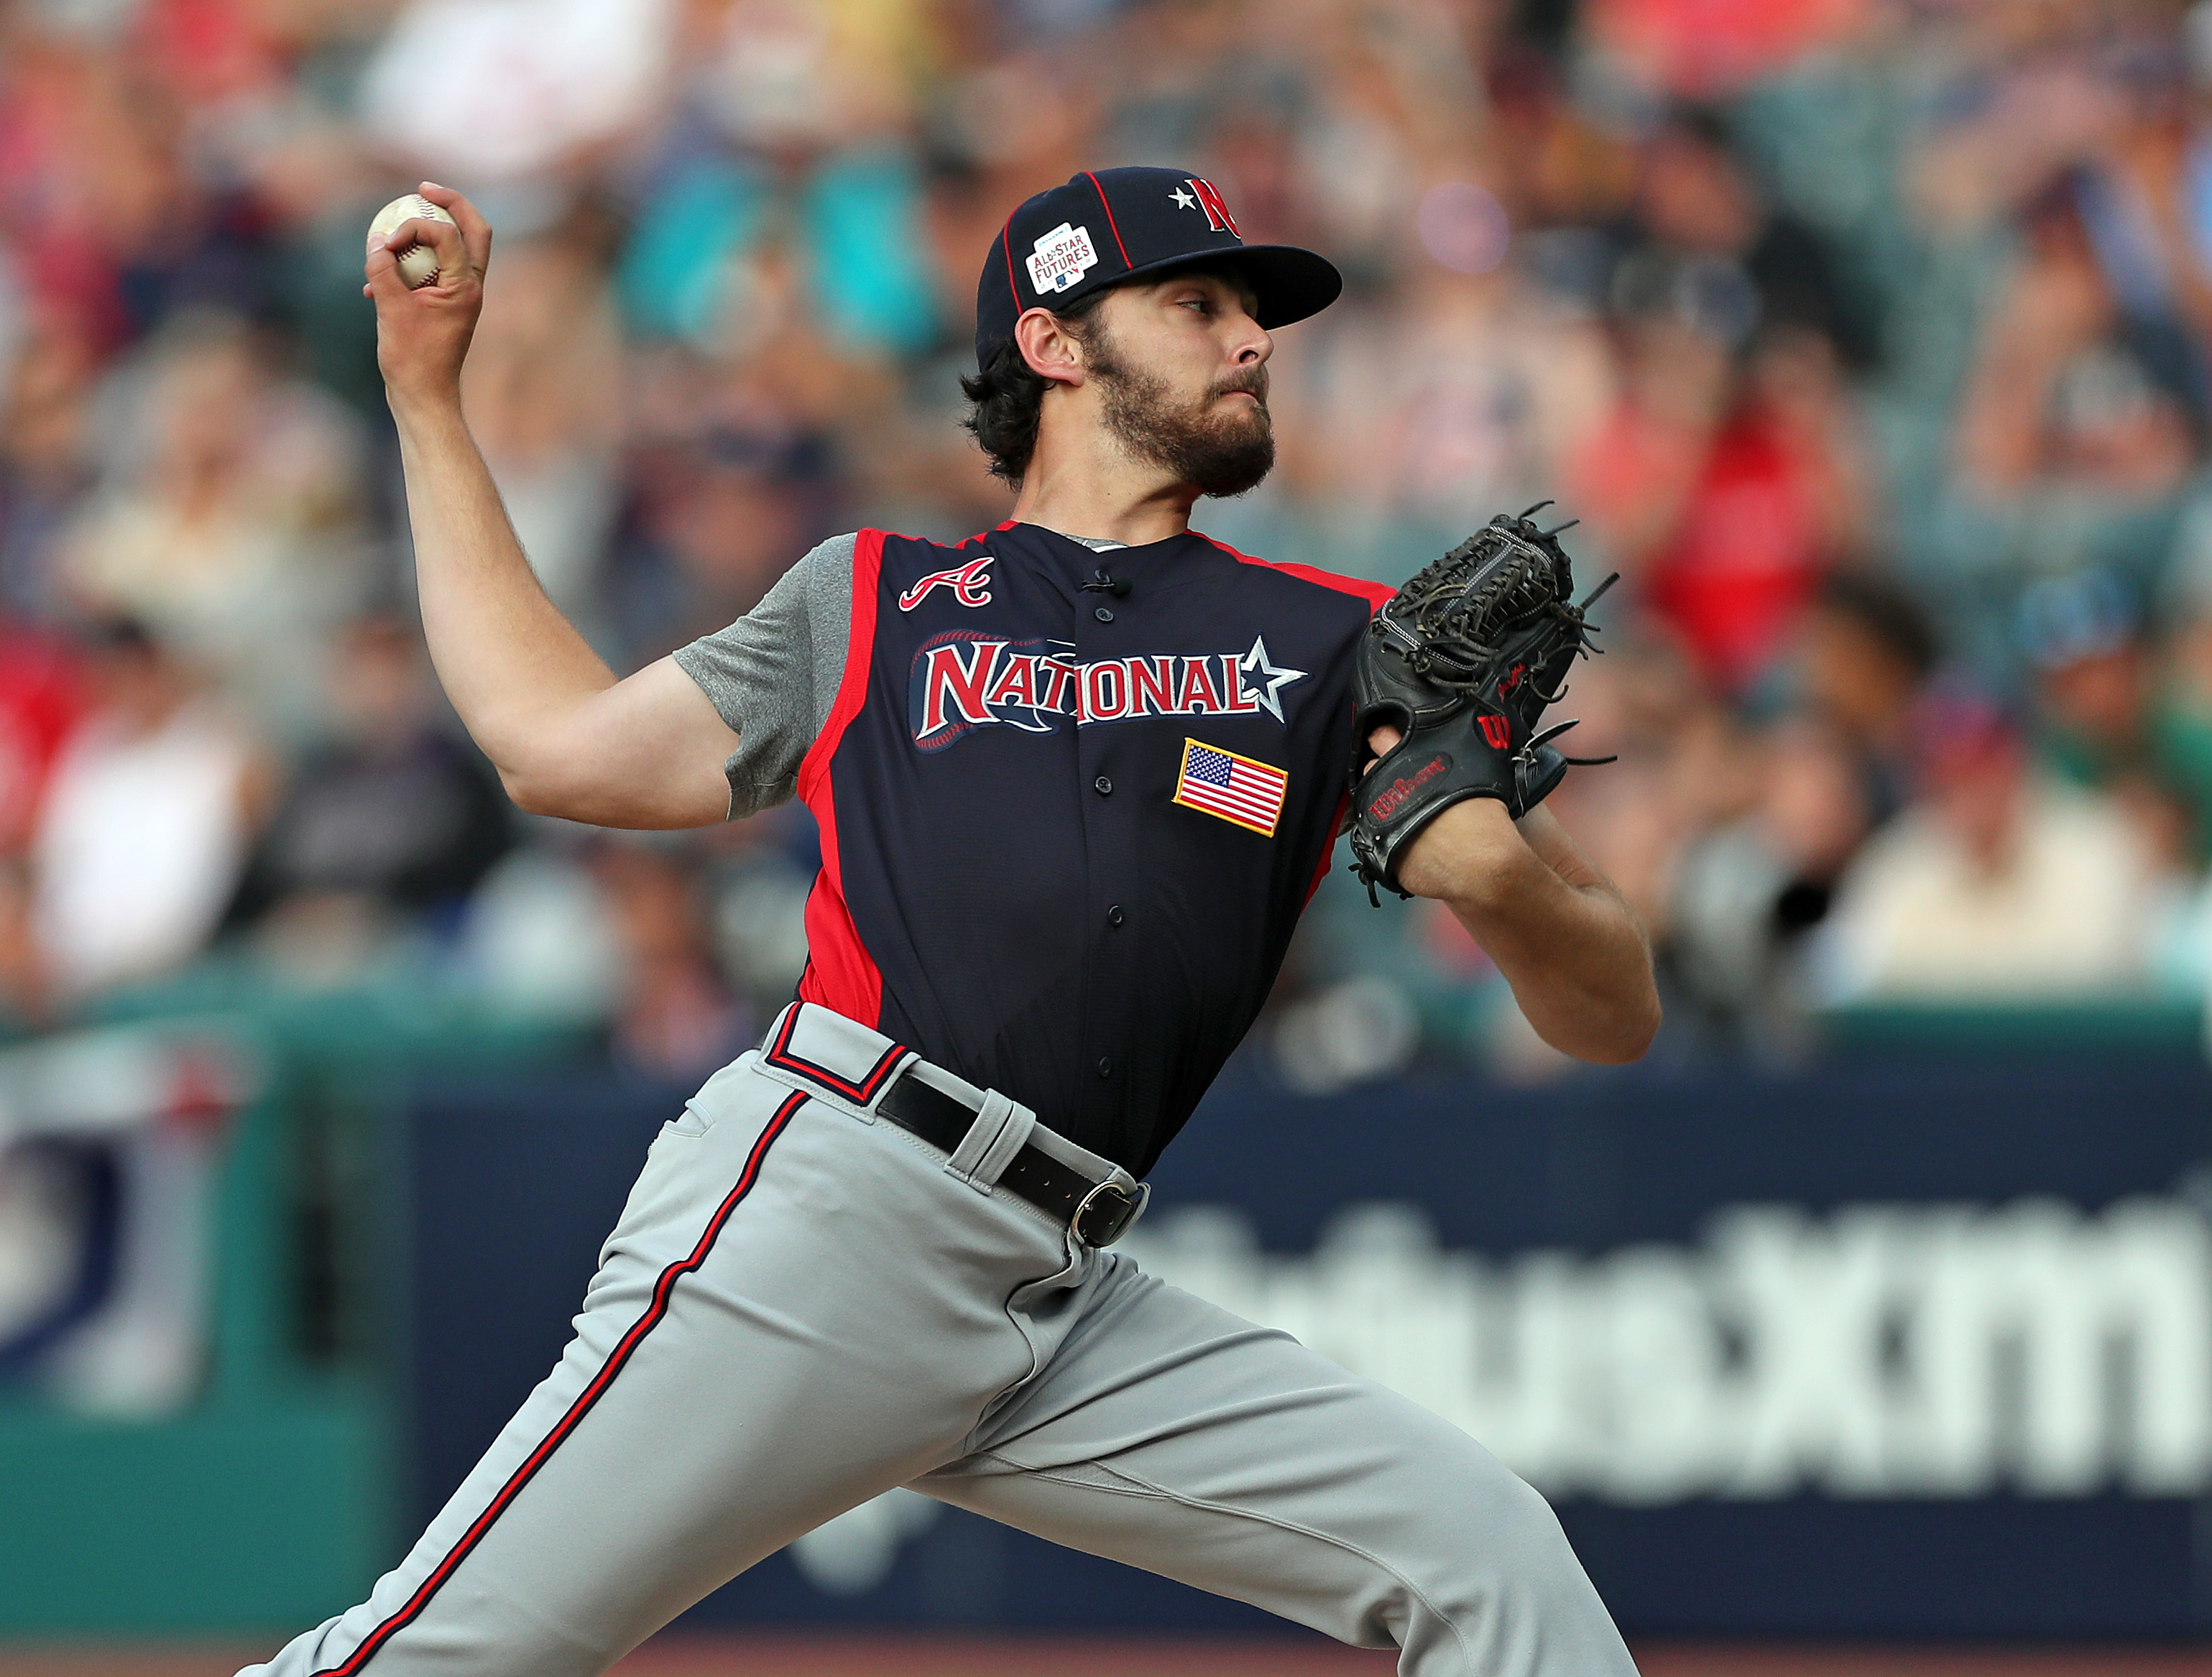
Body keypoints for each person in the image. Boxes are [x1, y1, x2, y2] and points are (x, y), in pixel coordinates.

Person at [242, 167, 1658, 1677]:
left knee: (1487, 1555)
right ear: (1053, 343)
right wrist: (427, 402)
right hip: (834, 1213)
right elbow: (550, 743)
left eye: (1256, 313)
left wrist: (1500, 878)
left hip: (1067, 1293)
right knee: (436, 1659)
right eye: (1197, 303)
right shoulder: (878, 601)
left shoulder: (1333, 640)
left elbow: (1613, 1010)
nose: (1250, 339)